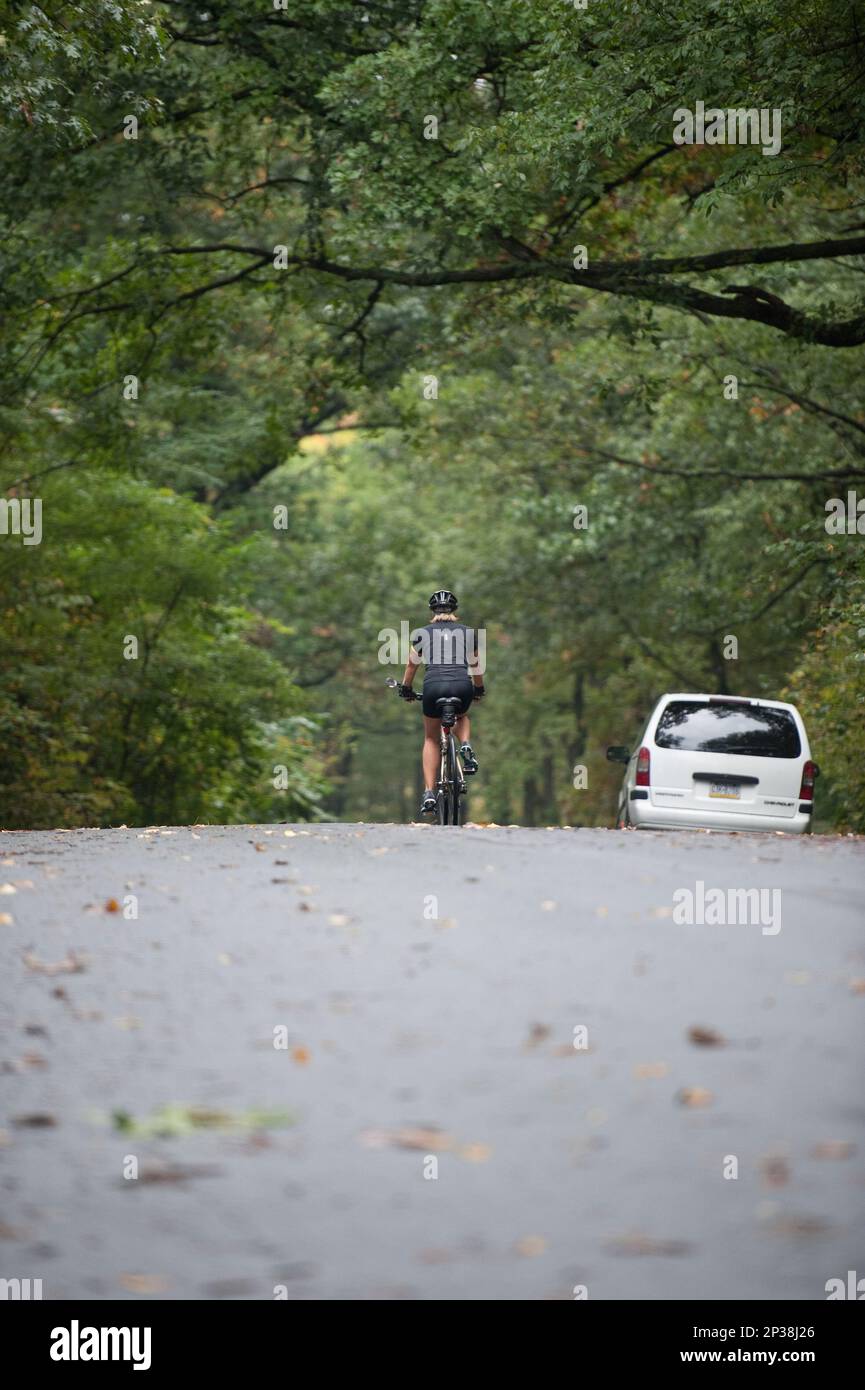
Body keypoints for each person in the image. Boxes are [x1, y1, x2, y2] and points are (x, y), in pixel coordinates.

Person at [398, 590, 485, 817]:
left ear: (432, 610)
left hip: (433, 686)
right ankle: (465, 744)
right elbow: (476, 666)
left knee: (431, 737)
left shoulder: (421, 634)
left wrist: (405, 688)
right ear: (454, 611)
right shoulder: (468, 633)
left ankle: (428, 793)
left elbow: (411, 666)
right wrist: (478, 689)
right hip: (461, 685)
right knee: (462, 715)